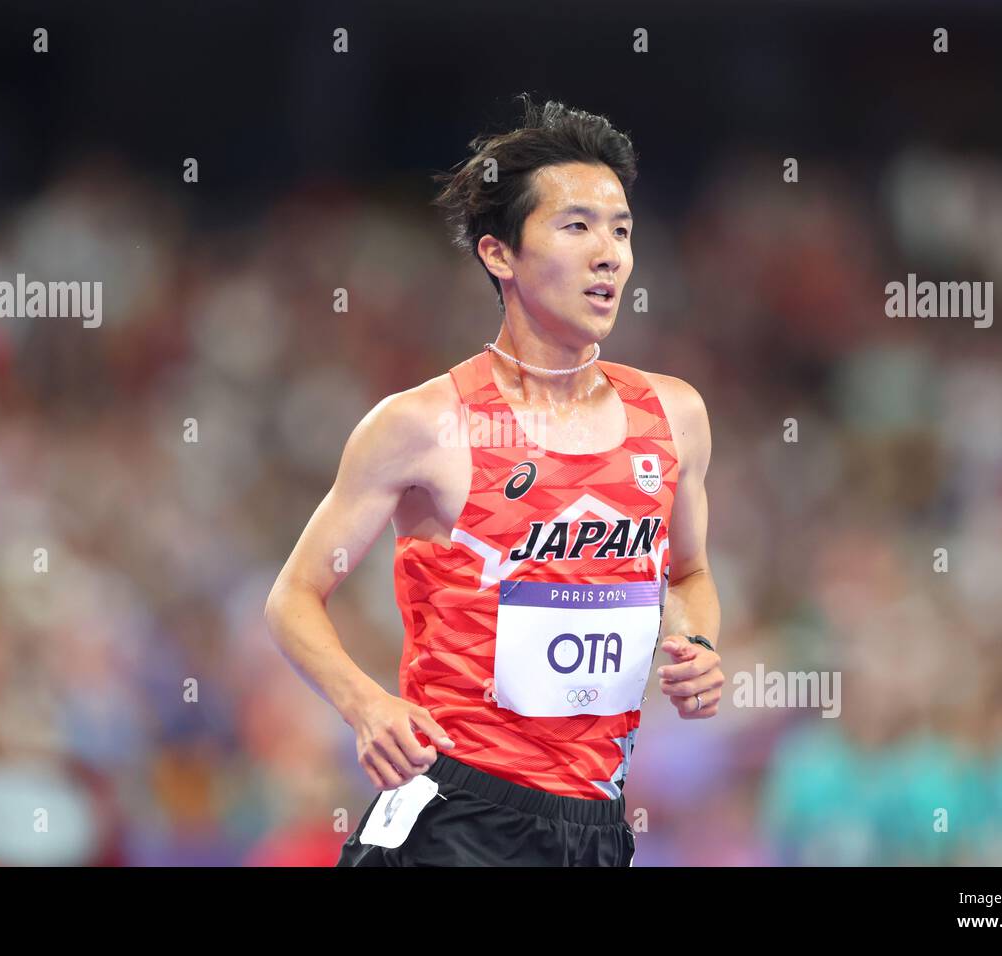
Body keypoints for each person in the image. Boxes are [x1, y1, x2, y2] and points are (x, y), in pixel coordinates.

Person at [265, 95, 723, 866]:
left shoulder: (674, 415)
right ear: (499, 254)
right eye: (576, 226)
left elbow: (691, 574)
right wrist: (366, 704)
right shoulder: (422, 425)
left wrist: (695, 638)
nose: (609, 252)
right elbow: (293, 596)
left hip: (597, 826)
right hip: (457, 809)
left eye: (621, 229)